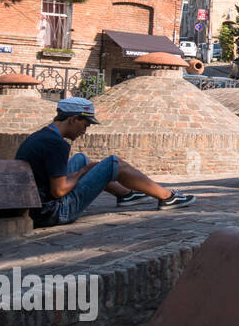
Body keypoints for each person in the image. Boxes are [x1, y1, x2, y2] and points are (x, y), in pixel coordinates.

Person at [16, 97, 195, 228]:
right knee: (113, 163)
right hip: (54, 213)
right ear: (73, 119)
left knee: (80, 158)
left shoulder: (42, 136)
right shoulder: (57, 144)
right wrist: (84, 171)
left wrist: (83, 168)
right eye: (85, 125)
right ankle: (167, 197)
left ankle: (126, 195)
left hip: (37, 208)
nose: (84, 132)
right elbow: (59, 190)